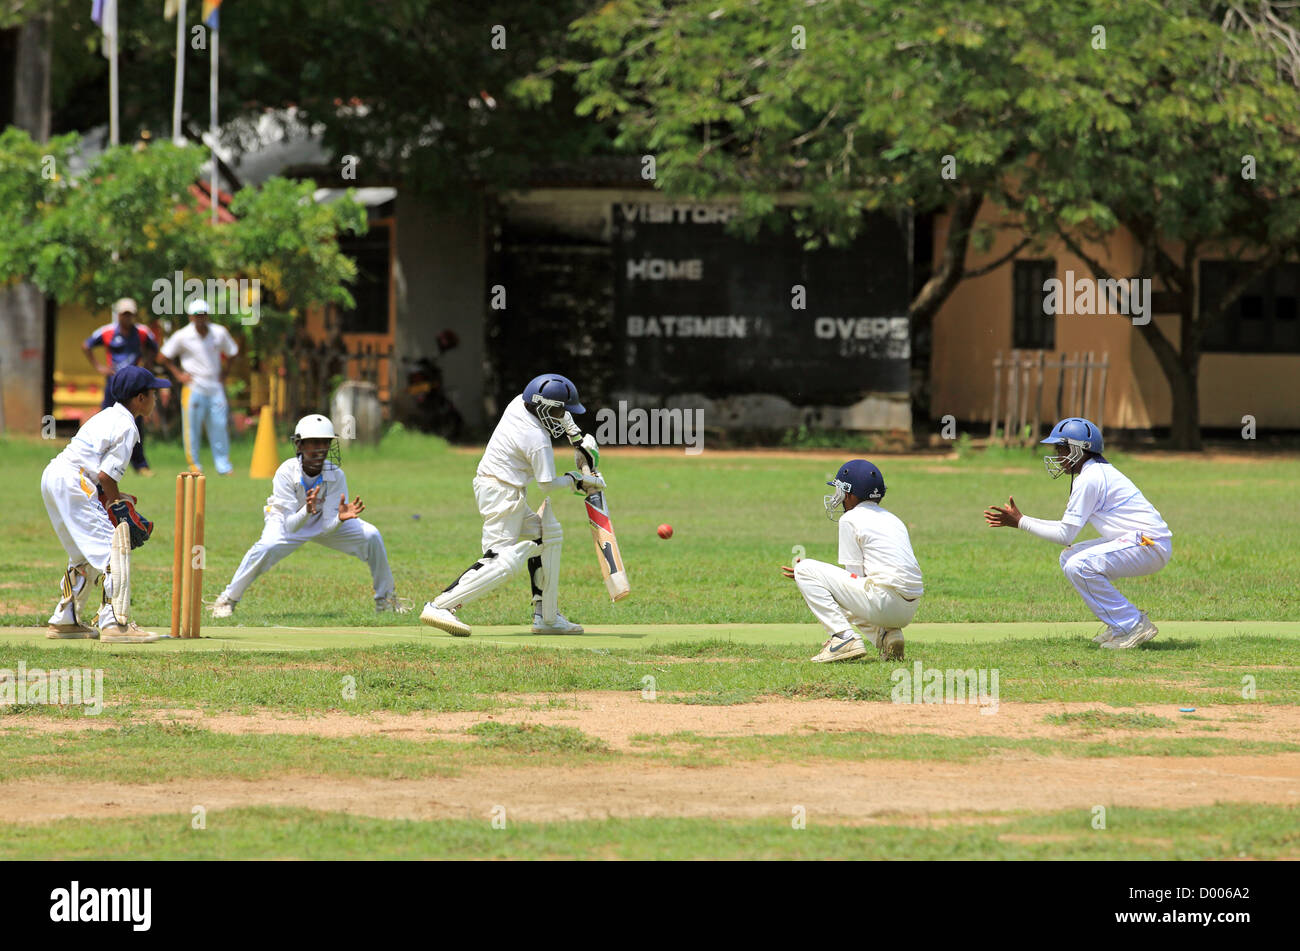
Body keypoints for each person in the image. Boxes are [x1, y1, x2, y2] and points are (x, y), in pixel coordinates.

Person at [419, 373, 604, 637]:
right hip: (501, 494)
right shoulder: (536, 440)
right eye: (557, 411)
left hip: (503, 488)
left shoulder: (521, 402)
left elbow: (559, 413)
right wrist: (580, 480)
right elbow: (548, 484)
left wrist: (576, 438)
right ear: (541, 408)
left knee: (548, 535)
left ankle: (547, 617)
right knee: (500, 561)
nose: (561, 416)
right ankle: (439, 606)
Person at [984, 417, 1172, 649]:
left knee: (1080, 565)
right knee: (1069, 558)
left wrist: (1021, 522)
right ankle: (1119, 624)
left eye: (1060, 448)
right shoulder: (1093, 473)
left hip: (1149, 544)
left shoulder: (1091, 479)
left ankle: (1131, 624)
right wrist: (1022, 521)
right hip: (1141, 542)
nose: (1057, 455)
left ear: (1078, 450)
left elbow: (1065, 534)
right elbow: (1067, 532)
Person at [210, 414, 407, 617]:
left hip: (323, 519)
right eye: (314, 443)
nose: (320, 448)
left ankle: (386, 600)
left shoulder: (336, 474)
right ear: (299, 445)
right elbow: (291, 526)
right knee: (266, 547)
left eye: (325, 442)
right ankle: (227, 599)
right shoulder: (285, 472)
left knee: (372, 535)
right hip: (286, 521)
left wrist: (339, 518)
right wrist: (306, 509)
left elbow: (328, 526)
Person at [40, 365, 172, 643]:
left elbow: (99, 472)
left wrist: (114, 496)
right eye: (153, 394)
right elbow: (105, 475)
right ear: (139, 399)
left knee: (83, 555)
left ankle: (66, 620)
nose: (156, 399)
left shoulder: (107, 415)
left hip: (55, 476)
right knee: (115, 550)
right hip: (75, 482)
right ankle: (115, 623)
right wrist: (116, 502)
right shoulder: (127, 426)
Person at [781, 459, 924, 662]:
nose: (837, 497)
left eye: (840, 491)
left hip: (883, 602)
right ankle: (887, 636)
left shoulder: (850, 519)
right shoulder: (894, 519)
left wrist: (811, 581)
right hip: (908, 608)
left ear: (849, 494)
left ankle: (843, 638)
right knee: (848, 591)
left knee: (804, 568)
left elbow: (854, 576)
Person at [157, 299, 239, 474]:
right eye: (197, 315)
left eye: (203, 314)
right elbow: (162, 357)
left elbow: (232, 351)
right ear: (191, 317)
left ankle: (223, 465)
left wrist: (226, 372)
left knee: (219, 424)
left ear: (207, 315)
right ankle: (194, 464)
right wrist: (178, 374)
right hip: (193, 386)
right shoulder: (182, 335)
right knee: (191, 427)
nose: (200, 318)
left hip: (215, 385)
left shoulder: (219, 332)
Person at [82, 298, 159, 476]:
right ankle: (97, 462)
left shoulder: (142, 332)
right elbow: (86, 345)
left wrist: (147, 364)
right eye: (124, 314)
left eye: (130, 314)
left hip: (134, 384)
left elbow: (155, 348)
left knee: (136, 422)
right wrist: (99, 367)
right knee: (105, 421)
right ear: (118, 315)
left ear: (134, 315)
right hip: (114, 382)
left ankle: (140, 464)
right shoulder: (107, 331)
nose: (127, 318)